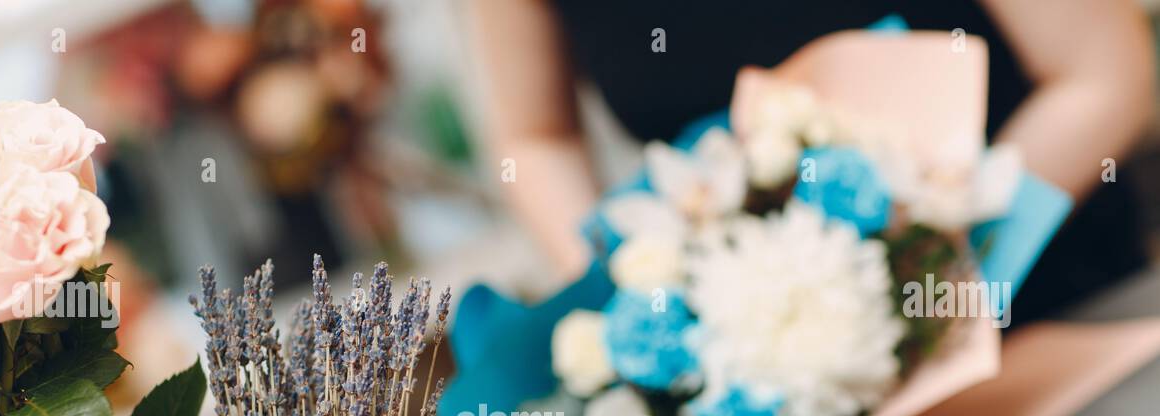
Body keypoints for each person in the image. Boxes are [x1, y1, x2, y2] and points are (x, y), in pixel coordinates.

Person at [469, 0, 1156, 321]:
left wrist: (906, 276)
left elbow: (1105, 74)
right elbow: (536, 138)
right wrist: (640, 298)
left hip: (1065, 311)